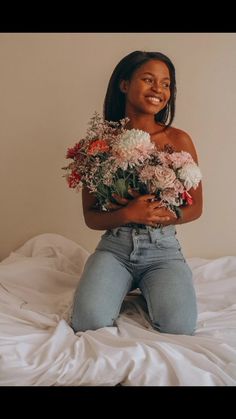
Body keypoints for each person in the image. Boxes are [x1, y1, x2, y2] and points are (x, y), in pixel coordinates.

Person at [71, 50, 203, 335]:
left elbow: (196, 207)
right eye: (148, 79)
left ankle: (152, 285)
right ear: (124, 85)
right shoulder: (98, 145)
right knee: (88, 322)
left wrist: (163, 216)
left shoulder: (178, 140)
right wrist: (127, 214)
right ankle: (117, 280)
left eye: (166, 83)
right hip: (115, 250)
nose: (158, 89)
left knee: (179, 326)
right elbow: (91, 217)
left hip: (163, 251)